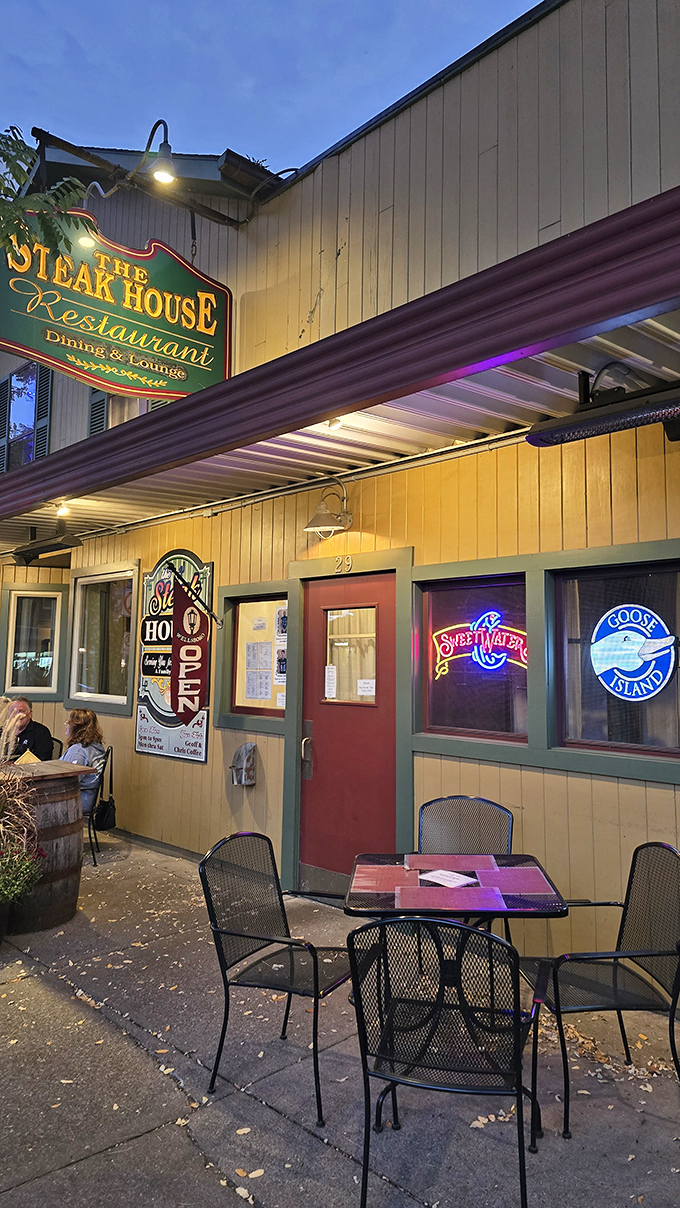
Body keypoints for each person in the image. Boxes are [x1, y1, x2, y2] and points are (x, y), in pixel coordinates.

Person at [61, 708, 106, 816]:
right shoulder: (96, 746)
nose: (66, 724)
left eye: (69, 722)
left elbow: (69, 781)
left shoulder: (78, 752)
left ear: (77, 727)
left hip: (77, 799)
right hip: (89, 797)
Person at [8, 697, 53, 762]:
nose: (17, 715)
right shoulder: (3, 733)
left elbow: (42, 759)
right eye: (13, 711)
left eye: (21, 711)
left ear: (30, 713)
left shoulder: (41, 732)